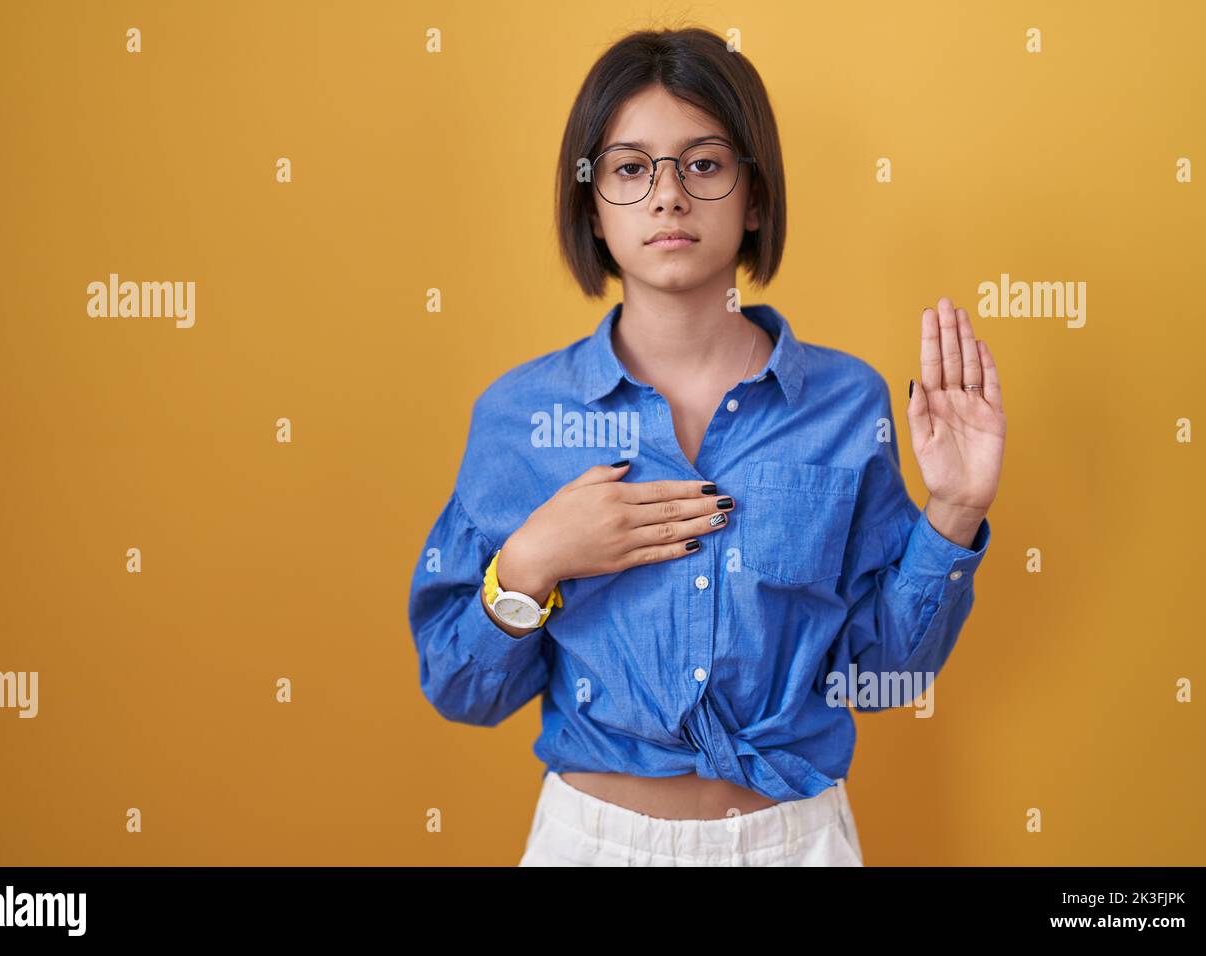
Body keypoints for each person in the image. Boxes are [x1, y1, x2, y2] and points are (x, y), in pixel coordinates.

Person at [407, 26, 1005, 866]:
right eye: (629, 168)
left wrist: (954, 511)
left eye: (705, 163)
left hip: (795, 841)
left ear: (755, 197)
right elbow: (462, 689)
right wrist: (532, 563)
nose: (668, 196)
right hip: (592, 841)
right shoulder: (519, 416)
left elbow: (886, 671)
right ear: (591, 202)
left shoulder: (847, 403)